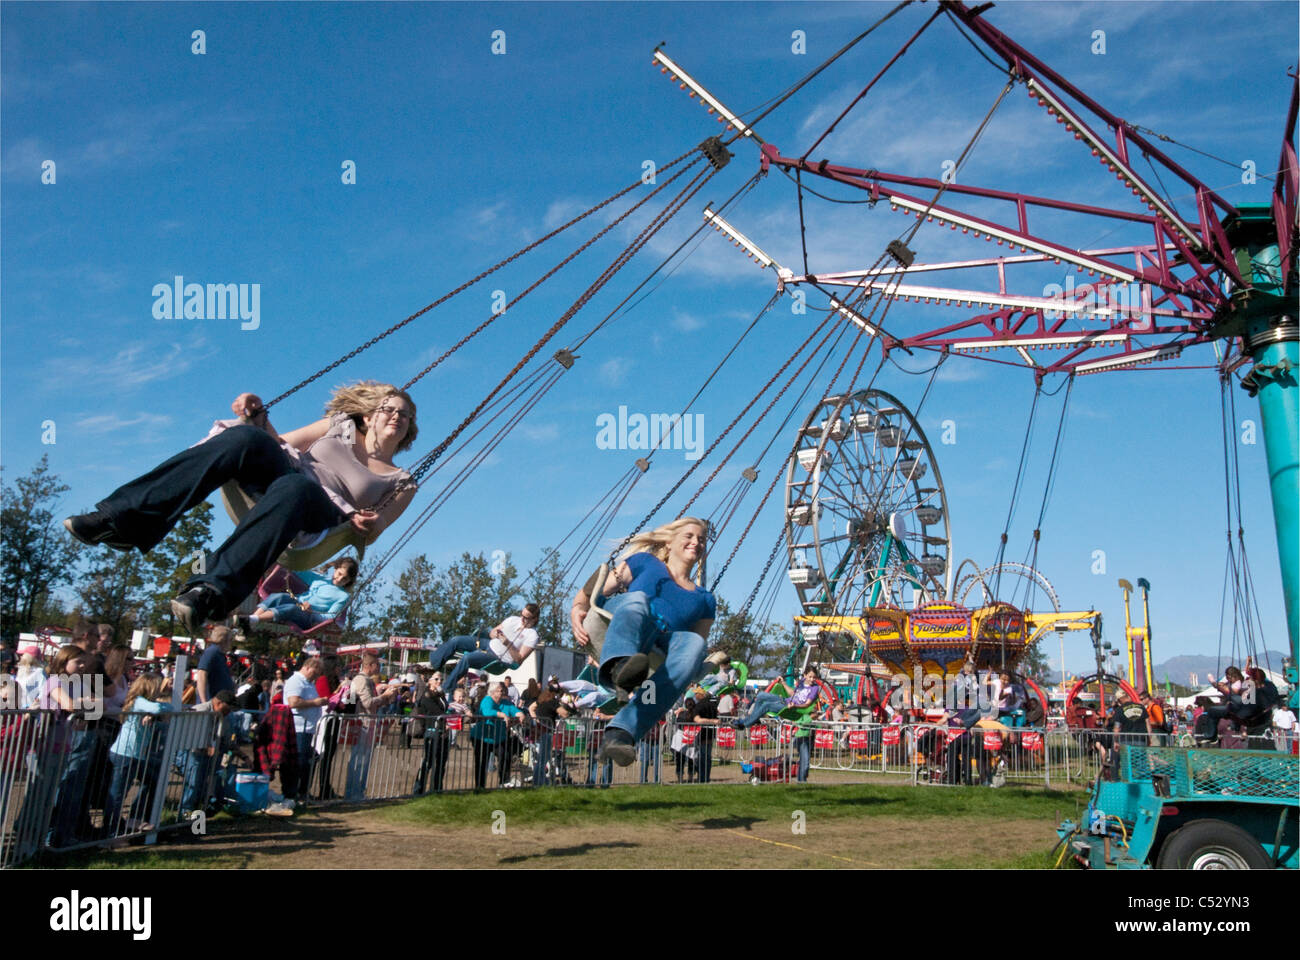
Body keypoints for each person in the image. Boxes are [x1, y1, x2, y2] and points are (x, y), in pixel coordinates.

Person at [63, 382, 419, 635]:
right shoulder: (339, 426)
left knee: (299, 487)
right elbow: (278, 443)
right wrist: (257, 417)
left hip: (323, 513)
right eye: (388, 409)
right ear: (368, 416)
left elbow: (378, 527)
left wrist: (370, 523)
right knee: (247, 438)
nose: (396, 416)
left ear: (409, 430)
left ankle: (211, 592)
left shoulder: (400, 480)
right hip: (289, 476)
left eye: (405, 415)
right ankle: (125, 520)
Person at [571, 518, 716, 767]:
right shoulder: (645, 562)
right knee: (638, 599)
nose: (696, 542)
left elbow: (696, 643)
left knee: (694, 643)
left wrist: (694, 664)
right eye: (689, 536)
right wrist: (577, 608)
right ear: (669, 542)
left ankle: (621, 733)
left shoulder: (705, 599)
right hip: (625, 618)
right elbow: (596, 587)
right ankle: (620, 668)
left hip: (659, 643)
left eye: (701, 539)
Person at [105, 674, 173, 833]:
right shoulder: (138, 701)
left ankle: (134, 818)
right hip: (125, 754)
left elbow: (169, 707)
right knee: (118, 794)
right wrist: (155, 711)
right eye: (157, 687)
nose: (160, 690)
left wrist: (153, 713)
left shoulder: (144, 703)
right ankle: (110, 832)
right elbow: (159, 708)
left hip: (135, 754)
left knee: (154, 781)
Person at [435, 605, 542, 696]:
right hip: (488, 644)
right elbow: (492, 633)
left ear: (534, 619)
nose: (522, 619)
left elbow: (519, 659)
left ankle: (446, 689)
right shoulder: (513, 620)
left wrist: (507, 643)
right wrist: (495, 633)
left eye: (526, 618)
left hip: (497, 659)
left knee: (467, 658)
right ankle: (435, 665)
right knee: (456, 640)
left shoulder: (532, 635)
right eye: (521, 615)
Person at [346, 653, 403, 801]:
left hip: (367, 722)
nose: (379, 667)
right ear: (370, 665)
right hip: (363, 723)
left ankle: (357, 791)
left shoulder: (366, 681)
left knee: (364, 759)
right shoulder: (361, 680)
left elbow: (373, 703)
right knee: (360, 759)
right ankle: (354, 793)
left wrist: (388, 698)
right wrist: (384, 696)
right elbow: (367, 703)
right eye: (378, 664)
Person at [248, 557, 358, 631]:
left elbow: (331, 617)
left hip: (309, 617)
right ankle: (252, 619)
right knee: (279, 597)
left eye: (345, 579)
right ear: (335, 569)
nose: (339, 579)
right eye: (339, 574)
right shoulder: (321, 579)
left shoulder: (343, 596)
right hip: (298, 602)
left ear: (349, 581)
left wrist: (312, 611)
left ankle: (254, 620)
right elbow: (298, 571)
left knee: (291, 608)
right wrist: (285, 561)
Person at [284, 657, 329, 806]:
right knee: (300, 763)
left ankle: (302, 792)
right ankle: (296, 793)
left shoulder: (308, 683)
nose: (317, 676)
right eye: (316, 672)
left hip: (307, 729)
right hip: (298, 729)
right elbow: (293, 702)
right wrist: (315, 703)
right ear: (309, 667)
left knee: (308, 761)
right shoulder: (296, 681)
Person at [471, 682, 523, 789]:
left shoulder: (505, 702)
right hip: (482, 737)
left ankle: (504, 782)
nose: (502, 692)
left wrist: (521, 715)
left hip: (499, 737)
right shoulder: (487, 700)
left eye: (502, 690)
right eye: (499, 690)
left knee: (505, 756)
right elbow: (487, 712)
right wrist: (502, 714)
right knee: (481, 762)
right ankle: (479, 787)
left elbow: (515, 711)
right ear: (492, 692)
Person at [733, 667, 822, 729]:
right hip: (785, 701)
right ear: (805, 675)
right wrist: (783, 683)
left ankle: (745, 724)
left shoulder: (814, 688)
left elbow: (807, 704)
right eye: (810, 677)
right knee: (761, 695)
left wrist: (795, 706)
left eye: (814, 677)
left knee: (767, 705)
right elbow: (792, 694)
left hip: (791, 708)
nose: (812, 679)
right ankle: (754, 719)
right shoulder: (802, 682)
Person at [413, 671, 449, 794]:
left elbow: (445, 710)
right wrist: (449, 718)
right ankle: (419, 790)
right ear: (430, 681)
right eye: (436, 679)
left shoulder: (440, 694)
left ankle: (437, 789)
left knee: (441, 762)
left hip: (443, 732)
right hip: (432, 731)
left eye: (441, 679)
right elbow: (436, 712)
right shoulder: (426, 695)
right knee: (428, 762)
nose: (439, 682)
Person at [194, 626, 235, 704]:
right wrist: (204, 702)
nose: (231, 643)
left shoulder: (220, 655)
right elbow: (201, 674)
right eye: (230, 640)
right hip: (211, 704)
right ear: (223, 640)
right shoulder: (212, 652)